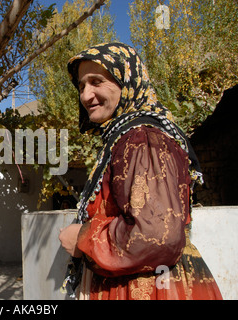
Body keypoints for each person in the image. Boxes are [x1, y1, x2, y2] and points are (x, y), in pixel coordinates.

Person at [59, 42, 223, 300]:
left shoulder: (141, 138)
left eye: (96, 81)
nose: (86, 95)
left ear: (127, 83)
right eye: (81, 86)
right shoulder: (126, 136)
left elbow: (155, 235)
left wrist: (82, 238)